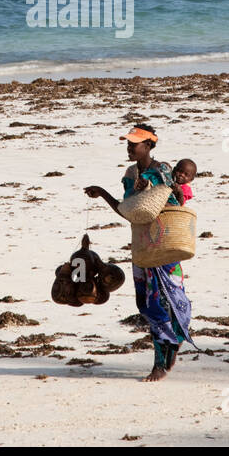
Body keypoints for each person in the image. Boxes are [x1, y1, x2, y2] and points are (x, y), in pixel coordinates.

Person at [84, 124, 196, 382]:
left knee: (166, 299)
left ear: (148, 146)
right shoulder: (129, 174)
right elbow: (128, 210)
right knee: (145, 303)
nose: (129, 147)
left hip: (165, 242)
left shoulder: (163, 170)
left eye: (134, 143)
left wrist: (160, 189)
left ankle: (162, 358)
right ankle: (169, 344)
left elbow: (176, 203)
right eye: (128, 143)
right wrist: (102, 194)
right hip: (141, 244)